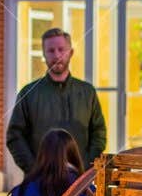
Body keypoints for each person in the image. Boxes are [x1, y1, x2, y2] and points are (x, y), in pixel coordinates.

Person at [6, 28, 106, 173]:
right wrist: (34, 169)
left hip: (79, 182)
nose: (57, 55)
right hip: (39, 183)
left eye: (61, 49)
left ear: (70, 52)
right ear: (44, 54)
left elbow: (99, 133)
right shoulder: (28, 93)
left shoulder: (87, 92)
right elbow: (14, 136)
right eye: (51, 51)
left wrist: (84, 168)